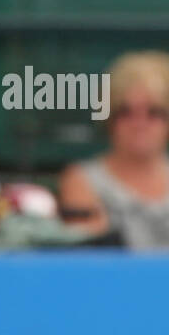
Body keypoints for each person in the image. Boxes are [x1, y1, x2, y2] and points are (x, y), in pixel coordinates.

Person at [59, 51, 169, 247]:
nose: (139, 123)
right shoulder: (82, 181)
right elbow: (88, 260)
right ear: (109, 118)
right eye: (125, 112)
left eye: (154, 112)